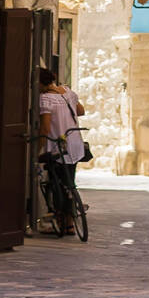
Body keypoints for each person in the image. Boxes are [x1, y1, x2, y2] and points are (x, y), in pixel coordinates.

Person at [38, 68, 87, 230]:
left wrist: (38, 149)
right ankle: (70, 222)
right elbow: (81, 111)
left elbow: (45, 128)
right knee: (69, 181)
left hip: (58, 145)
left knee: (57, 182)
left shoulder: (45, 99)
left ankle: (62, 220)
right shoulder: (67, 91)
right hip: (75, 142)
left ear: (39, 83)